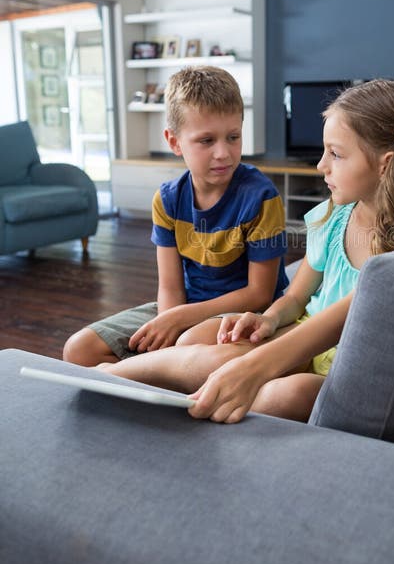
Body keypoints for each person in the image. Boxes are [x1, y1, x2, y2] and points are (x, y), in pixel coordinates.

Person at [99, 79, 394, 423]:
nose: (322, 165)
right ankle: (105, 377)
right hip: (304, 342)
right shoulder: (338, 216)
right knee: (202, 346)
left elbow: (351, 313)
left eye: (335, 154)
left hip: (351, 365)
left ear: (385, 163)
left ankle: (177, 396)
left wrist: (256, 366)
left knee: (283, 394)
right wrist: (270, 319)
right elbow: (296, 295)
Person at [63, 66, 288, 366]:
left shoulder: (261, 197)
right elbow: (170, 287)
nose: (223, 152)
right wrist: (168, 322)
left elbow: (260, 294)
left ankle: (148, 376)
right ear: (174, 142)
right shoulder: (167, 200)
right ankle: (152, 379)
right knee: (78, 350)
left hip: (246, 314)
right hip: (186, 306)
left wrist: (179, 322)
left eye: (233, 137)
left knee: (185, 344)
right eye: (207, 141)